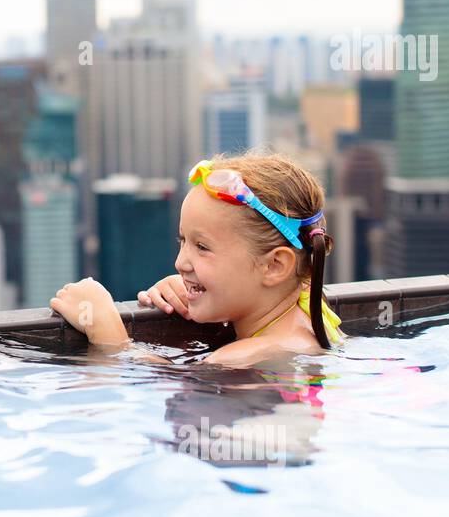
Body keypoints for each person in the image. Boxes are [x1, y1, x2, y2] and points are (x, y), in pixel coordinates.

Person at [50, 150, 347, 369]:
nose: (181, 263)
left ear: (275, 266)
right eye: (183, 241)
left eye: (202, 247)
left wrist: (105, 328)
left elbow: (138, 380)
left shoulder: (239, 360)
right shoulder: (308, 306)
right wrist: (197, 288)